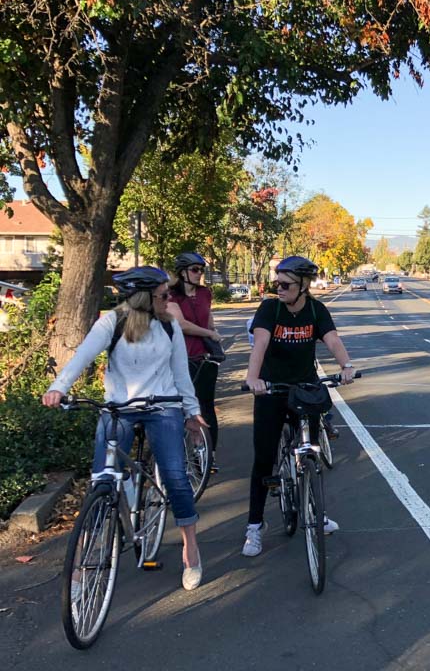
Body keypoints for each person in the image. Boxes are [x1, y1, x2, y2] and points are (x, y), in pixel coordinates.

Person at [42, 267, 207, 590]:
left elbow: (181, 374)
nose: (169, 299)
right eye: (163, 295)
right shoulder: (111, 323)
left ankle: (191, 550)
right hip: (119, 408)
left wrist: (192, 412)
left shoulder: (169, 326)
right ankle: (81, 563)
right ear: (144, 299)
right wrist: (58, 387)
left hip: (162, 406)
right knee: (102, 479)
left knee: (175, 477)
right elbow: (82, 357)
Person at [242, 256, 356, 557]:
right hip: (271, 389)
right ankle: (255, 526)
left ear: (304, 286)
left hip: (305, 390)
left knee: (311, 452)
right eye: (277, 283)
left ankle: (316, 513)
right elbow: (260, 344)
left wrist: (346, 366)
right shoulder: (270, 308)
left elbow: (332, 340)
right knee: (263, 460)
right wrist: (253, 378)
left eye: (286, 284)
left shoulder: (316, 310)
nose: (279, 288)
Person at [165, 252, 222, 472]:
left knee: (206, 407)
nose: (199, 274)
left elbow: (209, 319)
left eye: (201, 270)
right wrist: (209, 334)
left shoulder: (205, 293)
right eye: (195, 270)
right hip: (182, 359)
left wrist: (213, 335)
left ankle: (208, 455)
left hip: (205, 358)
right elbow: (181, 324)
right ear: (182, 272)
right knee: (184, 408)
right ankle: (178, 454)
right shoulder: (171, 296)